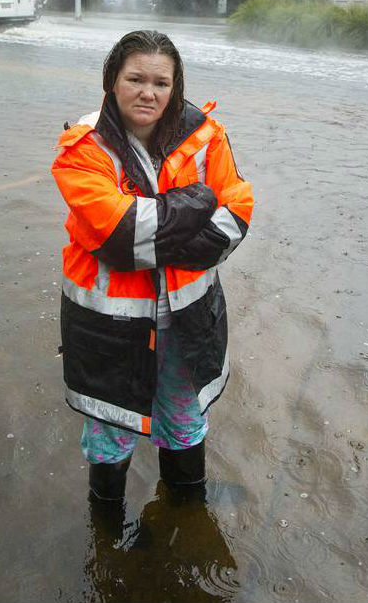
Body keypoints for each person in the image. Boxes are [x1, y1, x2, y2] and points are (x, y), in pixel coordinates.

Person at [52, 30, 254, 506]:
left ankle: (187, 505)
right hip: (110, 325)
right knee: (111, 427)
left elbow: (239, 210)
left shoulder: (207, 136)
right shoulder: (83, 148)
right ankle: (109, 527)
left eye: (161, 83)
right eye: (135, 79)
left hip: (186, 319)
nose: (149, 92)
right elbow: (122, 237)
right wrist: (196, 202)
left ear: (175, 87)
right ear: (112, 81)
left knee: (184, 416)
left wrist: (167, 233)